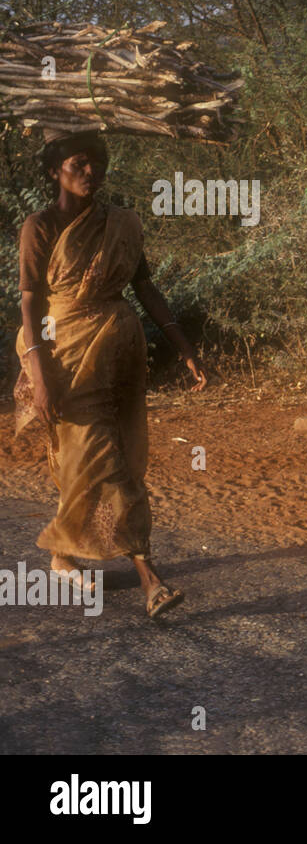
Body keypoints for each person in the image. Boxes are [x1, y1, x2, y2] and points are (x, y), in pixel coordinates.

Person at [14, 129, 208, 618]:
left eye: (97, 164)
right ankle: (150, 578)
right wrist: (39, 374)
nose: (90, 173)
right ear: (55, 171)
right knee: (94, 459)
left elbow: (144, 284)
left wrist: (184, 347)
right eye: (79, 164)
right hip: (63, 355)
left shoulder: (120, 222)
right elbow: (31, 300)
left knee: (114, 455)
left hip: (118, 354)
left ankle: (63, 554)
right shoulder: (39, 226)